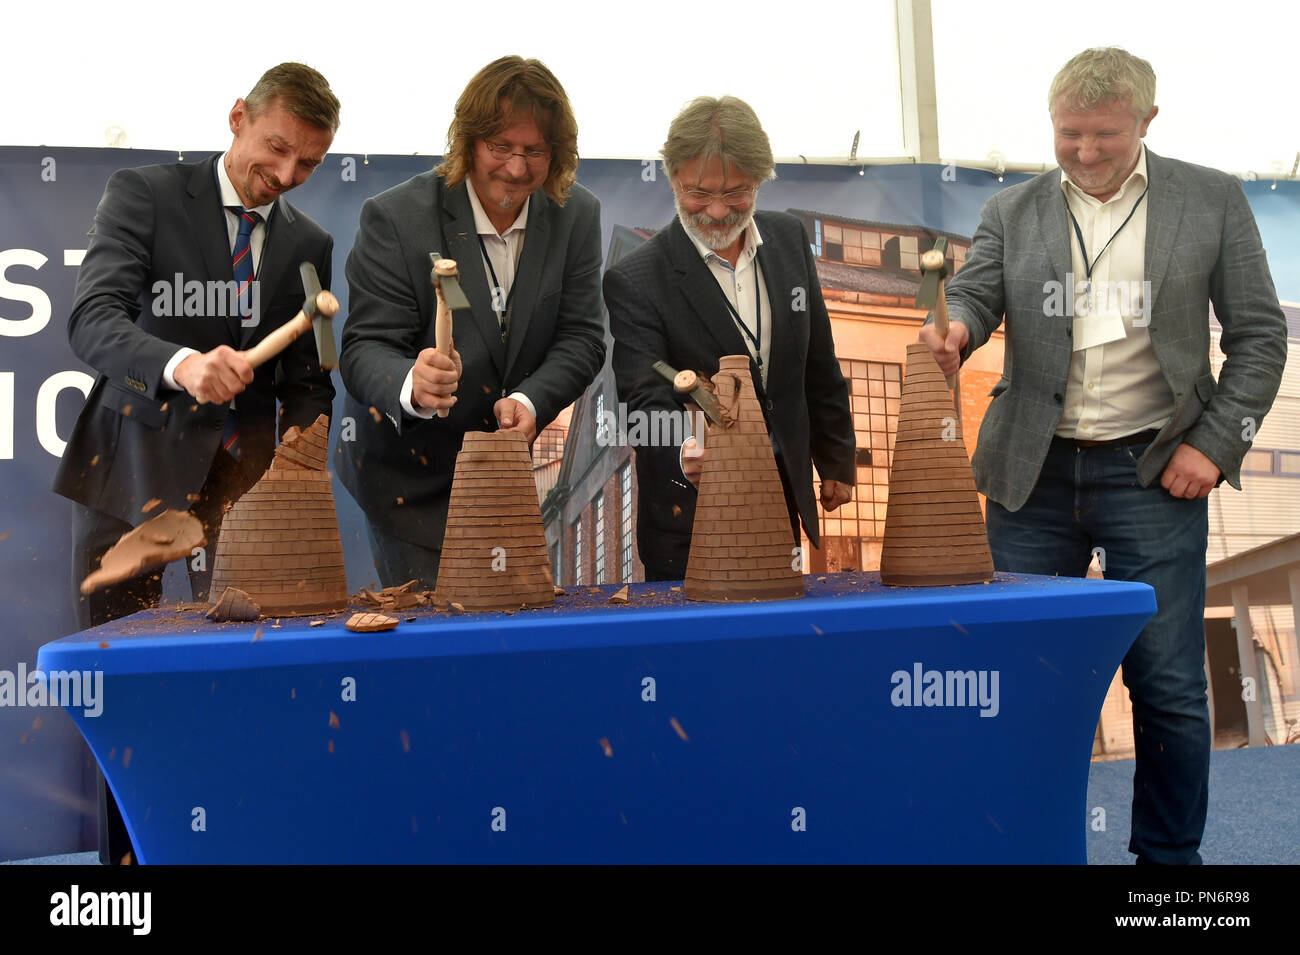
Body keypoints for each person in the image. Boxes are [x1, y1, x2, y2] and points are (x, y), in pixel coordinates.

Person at [919, 47, 1287, 864]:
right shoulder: (1013, 211)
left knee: (1169, 688)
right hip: (1031, 474)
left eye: (1105, 137)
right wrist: (958, 330)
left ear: (1149, 123)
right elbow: (979, 291)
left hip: (1155, 472)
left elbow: (1261, 338)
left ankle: (1166, 868)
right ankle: (1028, 849)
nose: (1084, 154)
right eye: (1068, 135)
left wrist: (1214, 444)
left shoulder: (1212, 200)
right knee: (1026, 688)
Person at [51, 62, 340, 863]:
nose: (284, 177)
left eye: (308, 164)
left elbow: (310, 380)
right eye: (275, 149)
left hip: (244, 497)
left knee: (245, 687)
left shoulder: (309, 246)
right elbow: (94, 319)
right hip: (128, 478)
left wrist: (306, 434)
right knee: (125, 699)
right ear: (238, 116)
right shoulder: (143, 194)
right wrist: (182, 362)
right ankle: (125, 871)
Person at [336, 56, 605, 589]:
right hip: (409, 484)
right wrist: (413, 384)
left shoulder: (576, 214)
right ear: (468, 142)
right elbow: (365, 347)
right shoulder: (396, 217)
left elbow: (582, 338)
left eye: (535, 151)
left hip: (505, 478)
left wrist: (530, 401)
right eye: (500, 147)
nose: (517, 168)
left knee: (506, 637)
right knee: (428, 649)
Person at [603, 96, 855, 581]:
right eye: (699, 193)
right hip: (690, 522)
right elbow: (643, 397)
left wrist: (836, 457)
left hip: (779, 501)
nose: (718, 212)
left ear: (760, 180)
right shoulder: (636, 278)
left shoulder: (788, 243)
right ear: (673, 177)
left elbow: (818, 362)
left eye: (737, 192)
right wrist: (685, 450)